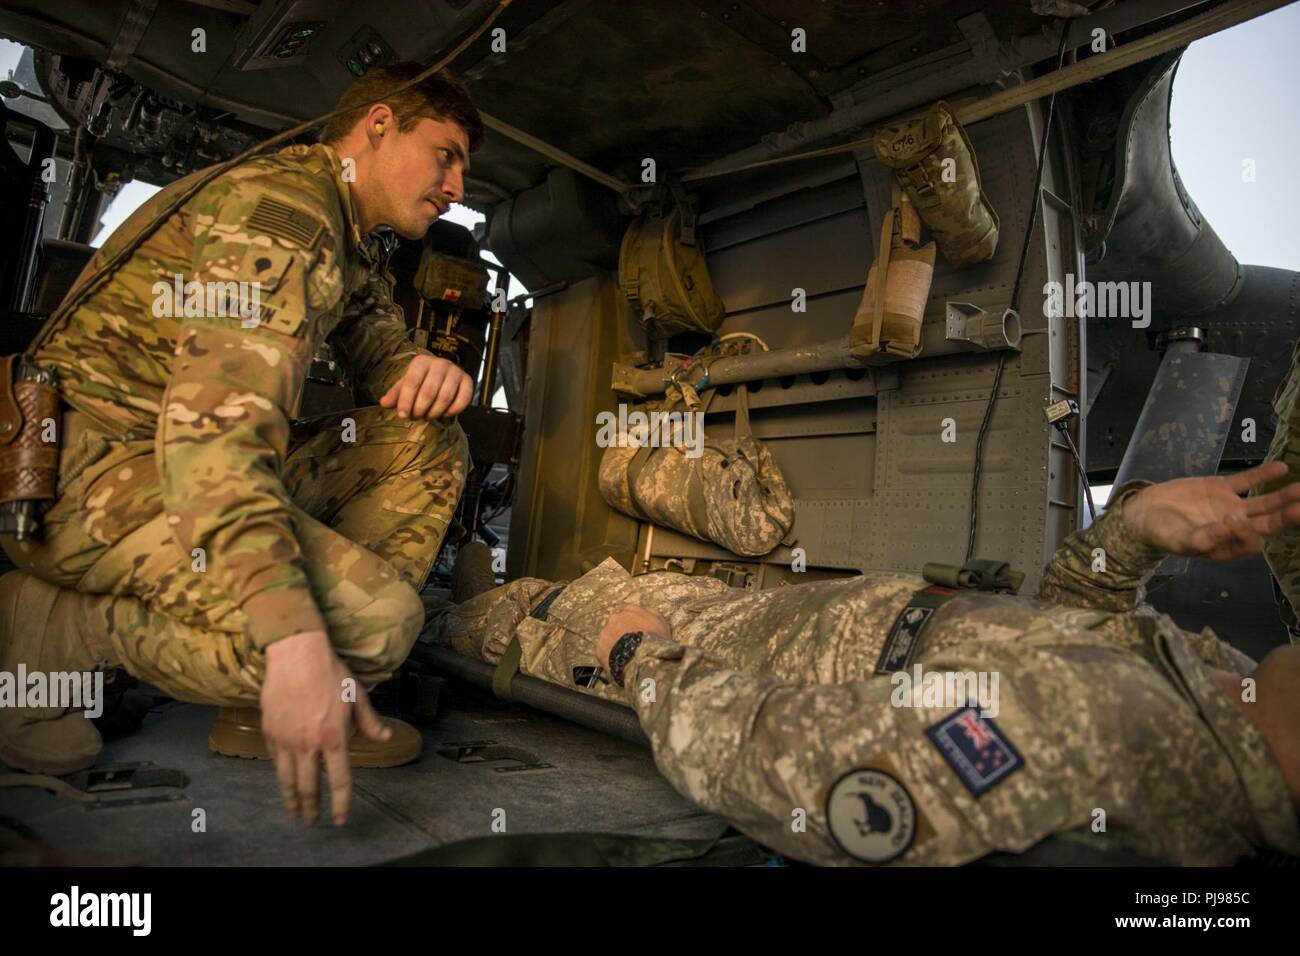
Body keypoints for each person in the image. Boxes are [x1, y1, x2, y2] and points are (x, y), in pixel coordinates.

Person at [0, 62, 481, 828]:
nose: (457, 185)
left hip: (158, 458)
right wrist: (291, 635)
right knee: (383, 625)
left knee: (423, 440)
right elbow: (217, 443)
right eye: (446, 155)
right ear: (380, 124)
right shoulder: (280, 213)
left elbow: (370, 329)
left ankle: (271, 704)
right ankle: (52, 629)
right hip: (82, 481)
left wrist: (412, 365)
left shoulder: (341, 224)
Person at [439, 465, 1300, 865]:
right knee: (619, 589)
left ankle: (441, 610)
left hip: (771, 664)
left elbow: (783, 765)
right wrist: (1133, 530)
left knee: (542, 627)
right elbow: (1064, 629)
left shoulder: (1121, 751)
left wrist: (639, 656)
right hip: (830, 620)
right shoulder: (1231, 679)